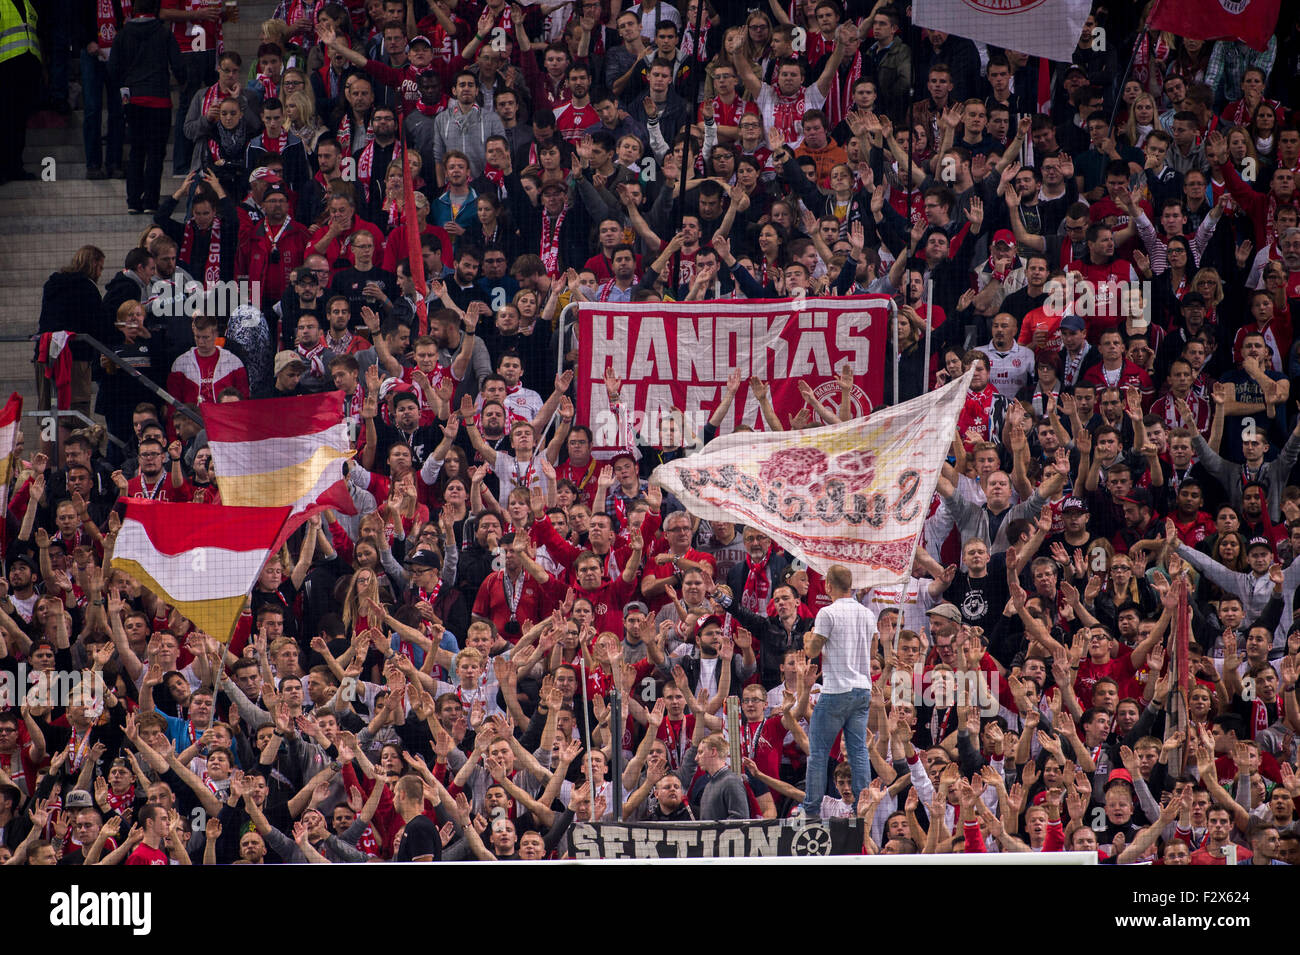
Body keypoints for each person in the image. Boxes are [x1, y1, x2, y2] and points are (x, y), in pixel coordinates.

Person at [800, 564, 874, 817]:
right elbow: (874, 653)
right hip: (863, 690)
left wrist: (808, 638)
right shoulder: (867, 613)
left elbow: (811, 651)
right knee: (858, 751)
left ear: (827, 586)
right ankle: (860, 807)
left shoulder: (827, 612)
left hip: (836, 691)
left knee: (818, 753)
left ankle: (810, 810)